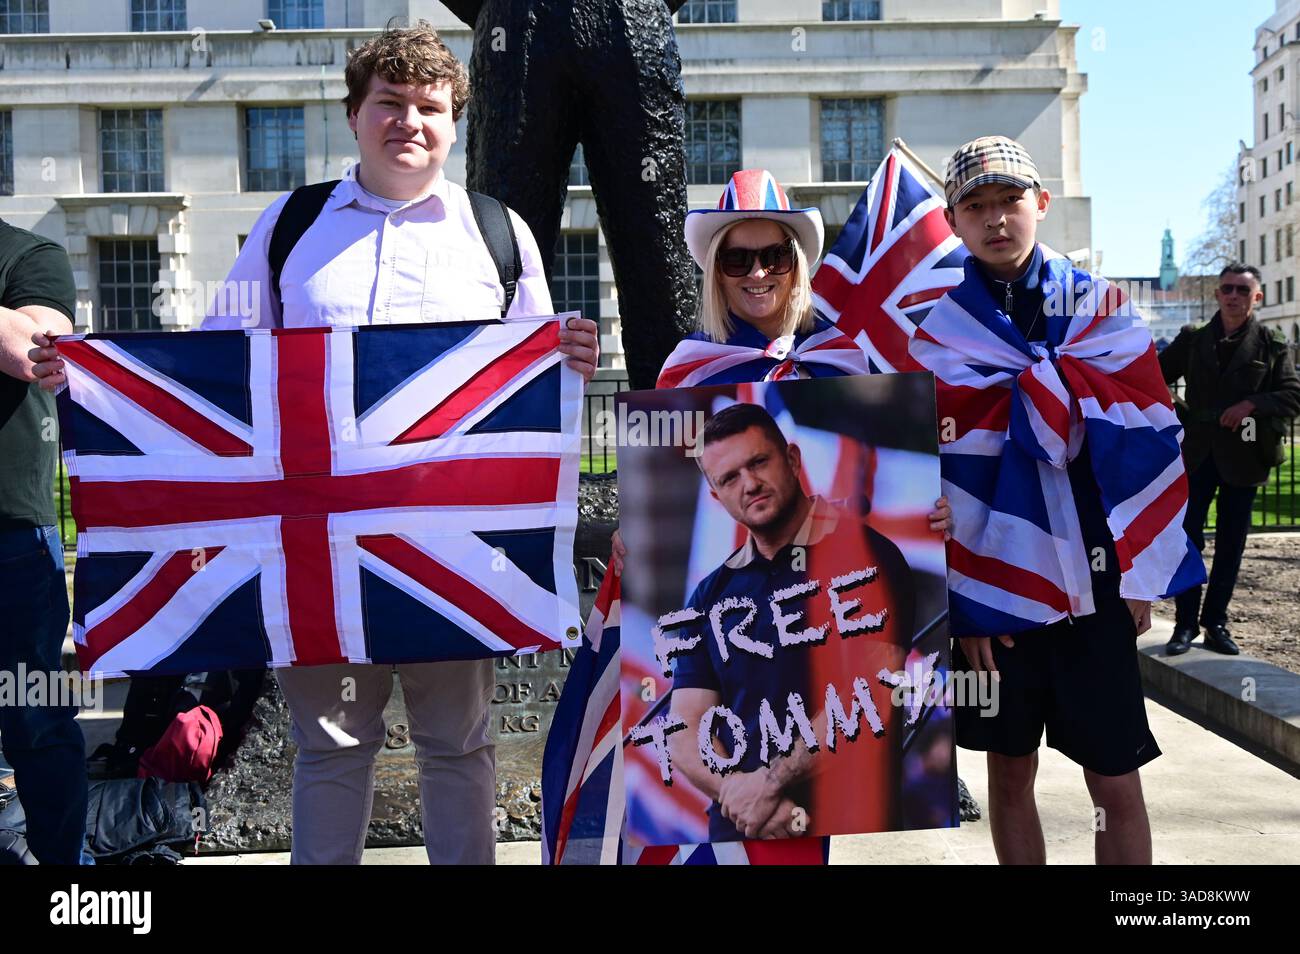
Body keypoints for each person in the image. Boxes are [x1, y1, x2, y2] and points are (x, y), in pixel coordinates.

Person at [37, 24, 599, 865]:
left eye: (429, 107)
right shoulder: (291, 225)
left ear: (454, 124)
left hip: (447, 545)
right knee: (332, 744)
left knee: (457, 743)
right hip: (315, 552)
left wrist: (573, 361)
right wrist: (92, 378)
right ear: (355, 115)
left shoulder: (498, 231)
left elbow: (528, 396)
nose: (409, 120)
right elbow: (217, 364)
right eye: (390, 103)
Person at [908, 135, 1204, 865]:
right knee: (1009, 772)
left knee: (1115, 777)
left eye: (1009, 200)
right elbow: (925, 474)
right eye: (975, 205)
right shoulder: (937, 334)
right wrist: (963, 604)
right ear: (953, 221)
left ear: (1039, 203)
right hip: (990, 597)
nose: (995, 217)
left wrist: (1139, 574)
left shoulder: (1103, 312)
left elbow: (1149, 440)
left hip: (1095, 583)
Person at [665, 403, 915, 841]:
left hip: (852, 819)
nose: (750, 484)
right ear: (716, 496)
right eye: (729, 478)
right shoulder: (709, 595)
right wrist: (741, 796)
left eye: (759, 462)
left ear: (793, 460)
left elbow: (870, 696)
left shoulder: (870, 556)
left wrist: (769, 784)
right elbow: (684, 728)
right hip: (743, 824)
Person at [0, 217, 88, 864]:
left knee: (36, 718)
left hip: (13, 535)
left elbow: (34, 351)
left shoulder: (31, 254)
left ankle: (70, 883)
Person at [1158, 264, 1300, 656]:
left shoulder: (1272, 343)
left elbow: (1292, 394)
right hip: (1197, 455)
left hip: (1245, 457)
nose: (1233, 296)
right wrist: (1169, 407)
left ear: (1257, 297)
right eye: (1227, 289)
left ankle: (1215, 623)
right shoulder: (1194, 338)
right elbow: (1152, 376)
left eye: (1242, 290)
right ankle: (1184, 624)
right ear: (1218, 294)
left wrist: (1252, 403)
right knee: (1186, 540)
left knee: (1232, 544)